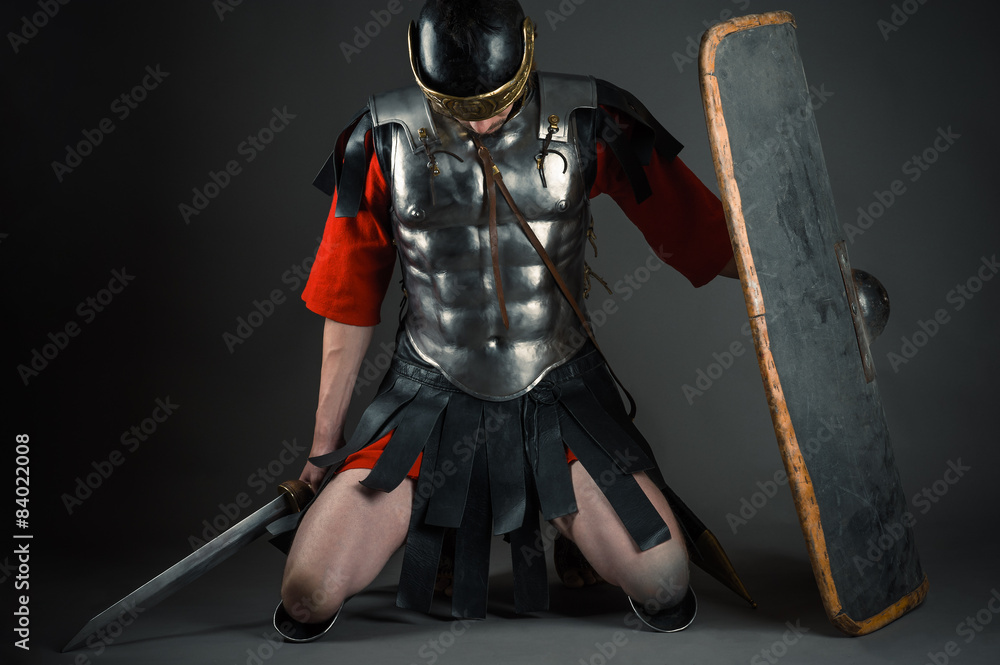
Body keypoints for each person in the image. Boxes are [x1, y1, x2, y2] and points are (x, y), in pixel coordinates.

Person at [269, 0, 738, 642]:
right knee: (305, 595)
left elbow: (700, 233)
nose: (482, 119)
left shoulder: (591, 120)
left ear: (526, 53)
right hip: (425, 397)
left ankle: (566, 520)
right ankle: (441, 519)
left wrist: (804, 274)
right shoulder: (383, 137)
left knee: (664, 583)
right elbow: (347, 300)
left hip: (560, 391)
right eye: (462, 107)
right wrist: (323, 450)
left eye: (496, 99)